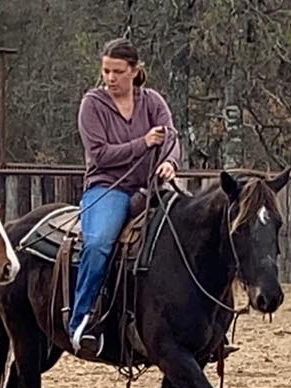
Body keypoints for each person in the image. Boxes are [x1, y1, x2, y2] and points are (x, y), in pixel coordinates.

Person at [70, 37, 182, 358]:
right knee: (99, 241)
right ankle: (82, 319)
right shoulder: (92, 105)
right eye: (106, 70)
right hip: (108, 187)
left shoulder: (153, 102)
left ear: (134, 71)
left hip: (150, 187)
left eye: (118, 71)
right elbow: (101, 155)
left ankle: (197, 321)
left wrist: (169, 162)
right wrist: (144, 144)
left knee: (193, 228)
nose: (110, 78)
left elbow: (171, 137)